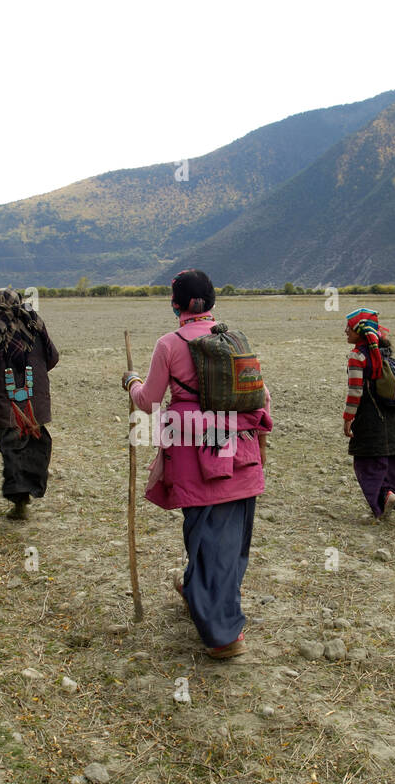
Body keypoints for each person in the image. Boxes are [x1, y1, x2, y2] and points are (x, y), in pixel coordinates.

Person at [121, 269, 272, 659]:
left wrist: (131, 382)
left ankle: (223, 636)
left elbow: (149, 401)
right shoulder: (235, 341)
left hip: (194, 453)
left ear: (175, 304)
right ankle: (196, 594)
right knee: (230, 542)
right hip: (239, 450)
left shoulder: (168, 344)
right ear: (212, 302)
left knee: (205, 540)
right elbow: (262, 396)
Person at [0, 288, 59, 520]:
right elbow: (53, 358)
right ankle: (25, 496)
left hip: (7, 408)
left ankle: (20, 503)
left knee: (13, 452)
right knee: (34, 448)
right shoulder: (37, 330)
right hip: (34, 405)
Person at [342, 307, 395, 521]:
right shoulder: (384, 354)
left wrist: (348, 418)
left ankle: (384, 496)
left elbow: (355, 391)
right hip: (391, 417)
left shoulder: (358, 356)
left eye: (349, 327)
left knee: (366, 461)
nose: (345, 331)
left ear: (360, 332)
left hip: (368, 418)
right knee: (392, 458)